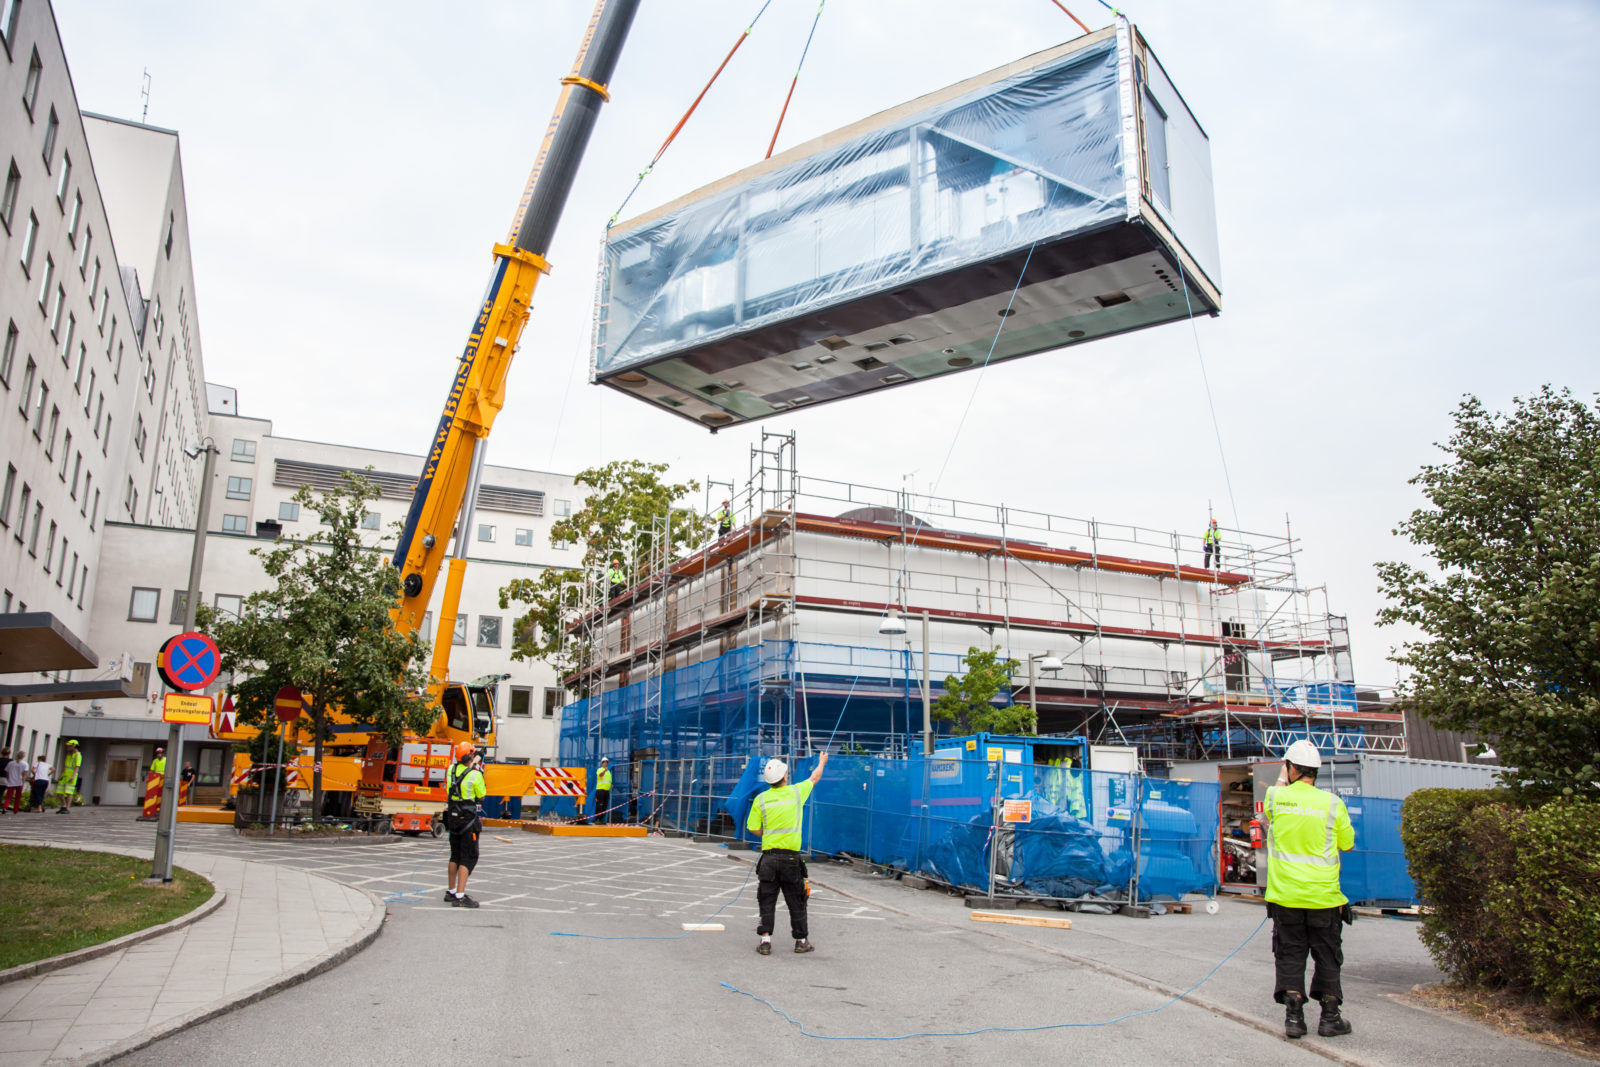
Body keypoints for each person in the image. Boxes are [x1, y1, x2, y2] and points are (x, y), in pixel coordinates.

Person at [1264, 739, 1356, 1040]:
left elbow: (1270, 805)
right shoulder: (1333, 803)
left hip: (1286, 897)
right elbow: (1348, 844)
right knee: (1328, 955)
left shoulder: (1276, 797)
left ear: (1289, 768)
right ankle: (1330, 1018)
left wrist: (1283, 773)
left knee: (1290, 954)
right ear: (1316, 771)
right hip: (1325, 898)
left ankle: (1294, 1018)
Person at [747, 752, 829, 955]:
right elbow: (814, 778)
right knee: (796, 900)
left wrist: (769, 832)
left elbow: (753, 828)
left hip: (768, 858)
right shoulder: (796, 793)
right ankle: (801, 941)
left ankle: (765, 942)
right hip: (791, 859)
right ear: (784, 777)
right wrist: (822, 762)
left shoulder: (761, 799)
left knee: (766, 899)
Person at [443, 741, 487, 908]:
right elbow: (481, 796)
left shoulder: (451, 770)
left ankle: (451, 891)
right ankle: (460, 896)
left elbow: (460, 774)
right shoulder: (475, 775)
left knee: (455, 855)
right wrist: (477, 769)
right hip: (468, 820)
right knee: (468, 856)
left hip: (453, 817)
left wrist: (474, 763)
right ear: (470, 756)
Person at [56, 740, 81, 814]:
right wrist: (61, 775)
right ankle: (63, 806)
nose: (67, 747)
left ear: (73, 746)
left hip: (71, 776)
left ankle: (67, 808)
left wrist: (73, 776)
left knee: (69, 792)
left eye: (69, 746)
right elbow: (65, 766)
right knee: (59, 793)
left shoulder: (78, 755)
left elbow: (77, 766)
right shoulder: (69, 755)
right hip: (65, 775)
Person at [594, 756, 612, 825]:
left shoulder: (609, 772)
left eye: (607, 762)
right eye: (604, 762)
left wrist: (611, 784)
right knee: (599, 805)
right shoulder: (600, 769)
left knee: (605, 805)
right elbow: (600, 775)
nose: (606, 763)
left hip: (606, 791)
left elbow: (608, 780)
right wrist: (604, 770)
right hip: (600, 790)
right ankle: (597, 819)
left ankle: (601, 819)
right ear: (602, 763)